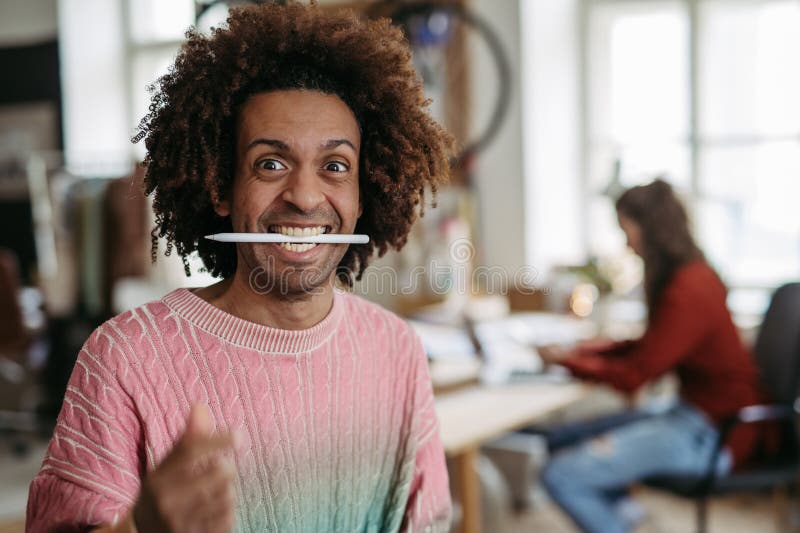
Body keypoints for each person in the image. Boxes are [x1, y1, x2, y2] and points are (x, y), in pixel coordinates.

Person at [26, 3, 455, 532]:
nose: (303, 194)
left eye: (335, 166)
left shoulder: (397, 349)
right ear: (222, 190)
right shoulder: (123, 359)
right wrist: (138, 529)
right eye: (270, 163)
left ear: (363, 197)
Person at [538, 179, 765, 533]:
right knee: (559, 439)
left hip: (714, 434)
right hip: (693, 415)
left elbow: (636, 374)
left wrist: (567, 361)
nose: (625, 242)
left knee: (561, 475)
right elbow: (651, 346)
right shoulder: (690, 276)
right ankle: (629, 521)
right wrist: (581, 351)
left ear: (649, 229)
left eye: (626, 229)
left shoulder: (688, 290)